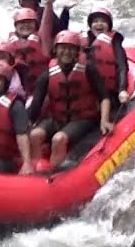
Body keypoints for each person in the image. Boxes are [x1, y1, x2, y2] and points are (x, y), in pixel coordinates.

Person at [28, 30, 113, 172]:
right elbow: (36, 105)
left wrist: (104, 120)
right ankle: (34, 171)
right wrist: (25, 125)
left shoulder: (88, 69)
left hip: (83, 119)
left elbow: (104, 97)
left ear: (77, 51)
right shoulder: (47, 75)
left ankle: (54, 175)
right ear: (56, 50)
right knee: (35, 135)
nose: (66, 52)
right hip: (57, 119)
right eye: (63, 48)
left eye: (71, 48)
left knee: (58, 139)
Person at [84, 6, 131, 104]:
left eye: (103, 21)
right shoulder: (84, 40)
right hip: (88, 91)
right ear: (90, 25)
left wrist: (122, 89)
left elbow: (122, 65)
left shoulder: (114, 40)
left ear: (109, 25)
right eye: (95, 21)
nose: (99, 24)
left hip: (109, 92)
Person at [6, 7, 52, 90]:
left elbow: (47, 22)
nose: (26, 25)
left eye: (29, 22)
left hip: (41, 89)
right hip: (18, 90)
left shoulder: (43, 39)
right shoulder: (8, 46)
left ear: (36, 25)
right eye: (22, 22)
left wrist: (49, 0)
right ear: (16, 26)